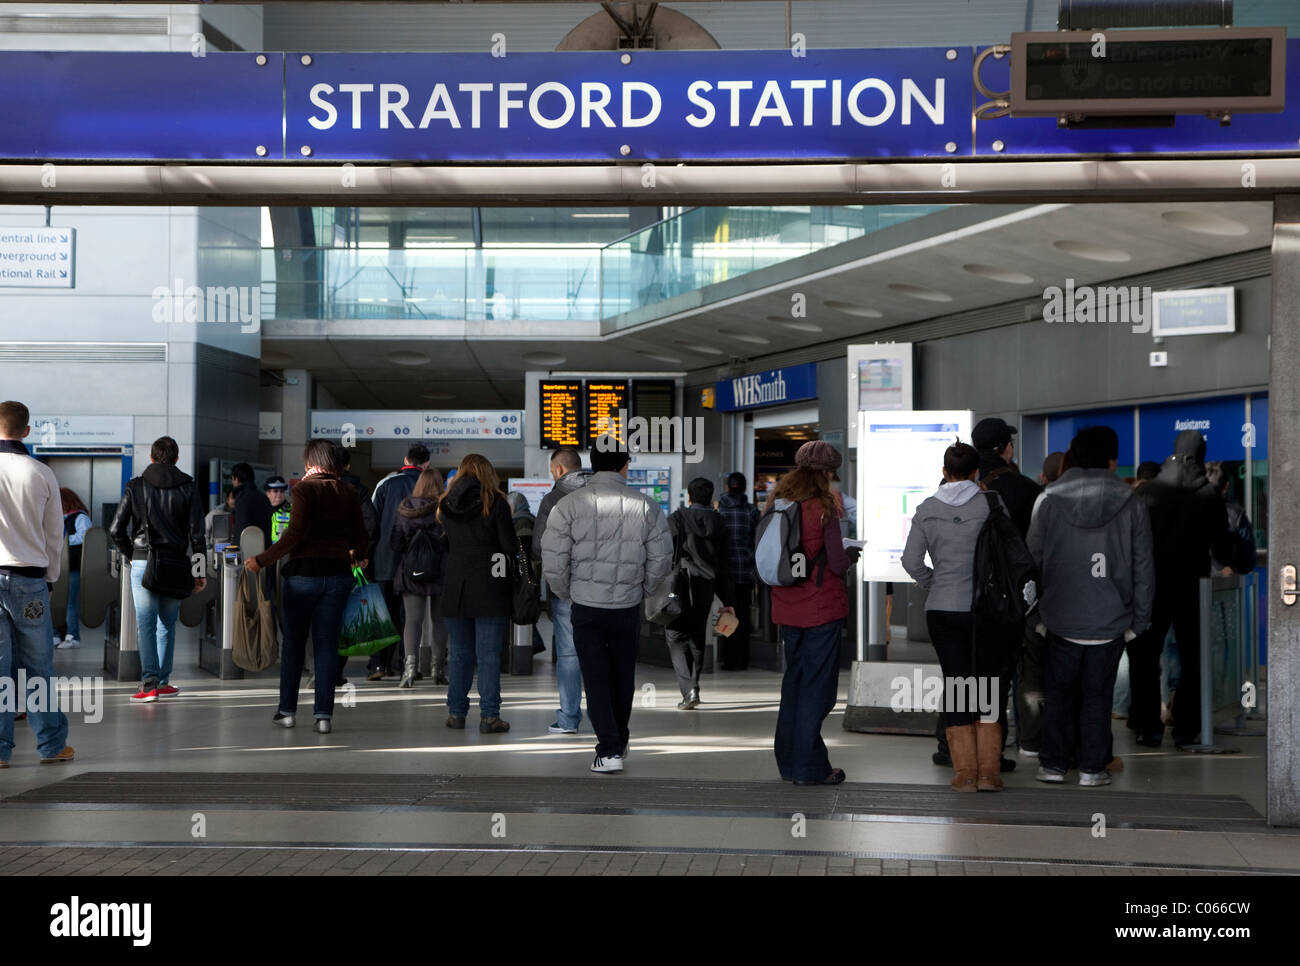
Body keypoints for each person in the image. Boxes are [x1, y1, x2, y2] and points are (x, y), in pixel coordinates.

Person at [1027, 426, 1154, 786]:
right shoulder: (1132, 502)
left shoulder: (1047, 499)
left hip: (1059, 617)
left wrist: (1036, 616)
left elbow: (1031, 563)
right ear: (1112, 459)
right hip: (1111, 619)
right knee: (1098, 698)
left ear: (1075, 455)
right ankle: (1092, 768)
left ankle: (1052, 765)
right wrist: (1138, 621)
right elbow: (1143, 566)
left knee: (1059, 695)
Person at [540, 436, 672, 774]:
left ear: (592, 464)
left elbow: (553, 561)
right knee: (622, 675)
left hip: (585, 606)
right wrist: (643, 588)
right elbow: (661, 558)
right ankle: (619, 739)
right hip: (627, 607)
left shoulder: (567, 506)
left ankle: (609, 749)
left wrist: (567, 592)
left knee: (595, 677)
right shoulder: (646, 506)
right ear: (625, 465)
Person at [903, 441, 1018, 792]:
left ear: (944, 472)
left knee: (957, 684)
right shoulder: (991, 503)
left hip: (942, 609)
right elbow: (1011, 553)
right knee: (986, 684)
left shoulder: (926, 508)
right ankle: (989, 773)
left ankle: (964, 773)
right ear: (976, 472)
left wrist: (934, 584)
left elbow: (911, 561)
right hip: (984, 609)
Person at [245, 439, 369, 734]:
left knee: (294, 644)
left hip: (302, 576)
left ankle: (287, 711)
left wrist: (262, 560)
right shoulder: (348, 491)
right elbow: (360, 534)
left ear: (311, 461)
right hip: (338, 576)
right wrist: (359, 556)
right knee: (326, 645)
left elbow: (294, 533)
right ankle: (323, 716)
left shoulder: (304, 488)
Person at [1130, 430, 1235, 749]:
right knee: (1193, 657)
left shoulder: (1148, 491)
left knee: (1145, 656)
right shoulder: (1208, 496)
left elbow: (1134, 540)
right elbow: (1222, 547)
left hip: (1152, 586)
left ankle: (1147, 727)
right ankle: (1187, 728)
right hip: (1193, 587)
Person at [769, 441, 860, 786]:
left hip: (787, 607)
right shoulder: (826, 505)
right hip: (821, 609)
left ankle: (790, 762)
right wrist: (851, 556)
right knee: (817, 690)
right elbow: (836, 561)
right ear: (825, 472)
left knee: (794, 683)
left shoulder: (778, 501)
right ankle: (809, 768)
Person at [0, 400, 75, 767]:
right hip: (30, 580)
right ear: (26, 431)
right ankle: (51, 745)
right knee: (37, 665)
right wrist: (51, 578)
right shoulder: (41, 473)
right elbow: (53, 535)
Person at [110, 436, 207, 703]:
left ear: (151, 458)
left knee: (146, 624)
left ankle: (149, 684)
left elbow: (115, 530)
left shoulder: (136, 486)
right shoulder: (189, 486)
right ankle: (163, 682)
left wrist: (132, 556)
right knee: (167, 625)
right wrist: (199, 572)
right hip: (177, 564)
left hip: (144, 562)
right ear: (176, 460)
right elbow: (198, 536)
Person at [438, 453, 516, 734]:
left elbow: (446, 545)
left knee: (459, 655)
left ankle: (456, 714)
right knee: (488, 656)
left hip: (455, 588)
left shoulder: (445, 503)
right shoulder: (495, 502)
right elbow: (509, 548)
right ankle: (489, 717)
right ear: (488, 472)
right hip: (489, 588)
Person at [533, 447, 590, 735]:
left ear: (558, 470)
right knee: (602, 650)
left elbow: (538, 546)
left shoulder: (553, 498)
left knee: (569, 653)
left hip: (566, 587)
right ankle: (606, 716)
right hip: (604, 586)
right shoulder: (601, 493)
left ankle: (569, 719)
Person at [666, 477, 733, 710]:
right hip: (706, 585)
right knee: (697, 635)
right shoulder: (720, 523)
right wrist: (727, 600)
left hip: (681, 584)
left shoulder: (677, 518)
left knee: (675, 635)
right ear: (711, 498)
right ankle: (695, 686)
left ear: (690, 497)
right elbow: (725, 564)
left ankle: (688, 690)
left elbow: (664, 551)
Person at [1017, 451, 1066, 759]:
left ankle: (1031, 741)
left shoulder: (1042, 500)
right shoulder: (1061, 502)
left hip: (1037, 601)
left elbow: (1033, 555)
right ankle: (1061, 741)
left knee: (1031, 671)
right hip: (1068, 603)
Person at [368, 444, 430, 681]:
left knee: (383, 613)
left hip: (385, 560)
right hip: (417, 562)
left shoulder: (386, 484)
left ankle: (379, 666)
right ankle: (409, 665)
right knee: (411, 616)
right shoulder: (428, 485)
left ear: (405, 459)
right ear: (426, 464)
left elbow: (372, 523)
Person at [390, 467, 448, 689]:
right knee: (440, 621)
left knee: (412, 622)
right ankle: (438, 669)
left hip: (411, 572)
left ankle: (410, 670)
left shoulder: (405, 509)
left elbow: (395, 543)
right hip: (440, 571)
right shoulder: (444, 508)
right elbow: (450, 540)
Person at [715, 471, 760, 670]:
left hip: (724, 571)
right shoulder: (751, 511)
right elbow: (756, 539)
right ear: (743, 488)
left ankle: (727, 658)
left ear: (727, 487)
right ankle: (743, 658)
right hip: (745, 569)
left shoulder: (718, 512)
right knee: (742, 613)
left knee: (726, 612)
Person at [56, 488, 92, 649]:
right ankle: (56, 634)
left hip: (73, 568)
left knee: (70, 603)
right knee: (58, 603)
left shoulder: (80, 517)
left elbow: (85, 537)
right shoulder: (61, 518)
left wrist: (62, 540)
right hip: (60, 568)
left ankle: (72, 636)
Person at [230, 461, 272, 548]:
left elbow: (242, 528)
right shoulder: (263, 497)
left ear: (236, 479)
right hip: (264, 547)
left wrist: (235, 549)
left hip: (248, 550)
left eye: (232, 479)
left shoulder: (242, 499)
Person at [266, 476, 291, 543]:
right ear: (268, 493)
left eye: (282, 491)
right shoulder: (262, 510)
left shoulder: (292, 510)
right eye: (275, 491)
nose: (279, 494)